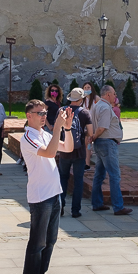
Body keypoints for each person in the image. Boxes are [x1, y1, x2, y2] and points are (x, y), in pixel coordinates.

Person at [20, 99, 74, 274]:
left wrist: (67, 128)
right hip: (40, 196)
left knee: (50, 240)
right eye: (40, 113)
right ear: (29, 115)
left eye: (45, 113)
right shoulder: (28, 137)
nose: (44, 116)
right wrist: (58, 126)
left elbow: (67, 148)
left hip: (54, 193)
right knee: (37, 242)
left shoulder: (43, 134)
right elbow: (50, 153)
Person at [90, 84, 132, 215]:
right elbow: (102, 127)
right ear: (108, 94)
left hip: (102, 143)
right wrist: (94, 137)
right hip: (107, 143)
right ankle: (118, 206)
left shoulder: (97, 106)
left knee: (99, 175)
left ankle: (97, 203)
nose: (115, 96)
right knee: (114, 175)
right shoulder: (105, 107)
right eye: (114, 94)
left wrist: (94, 138)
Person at [57, 88, 92, 218]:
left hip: (64, 150)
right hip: (79, 151)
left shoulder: (61, 111)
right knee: (78, 180)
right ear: (81, 100)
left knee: (62, 178)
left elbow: (57, 129)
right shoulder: (84, 112)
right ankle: (75, 210)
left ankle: (60, 206)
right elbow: (90, 132)